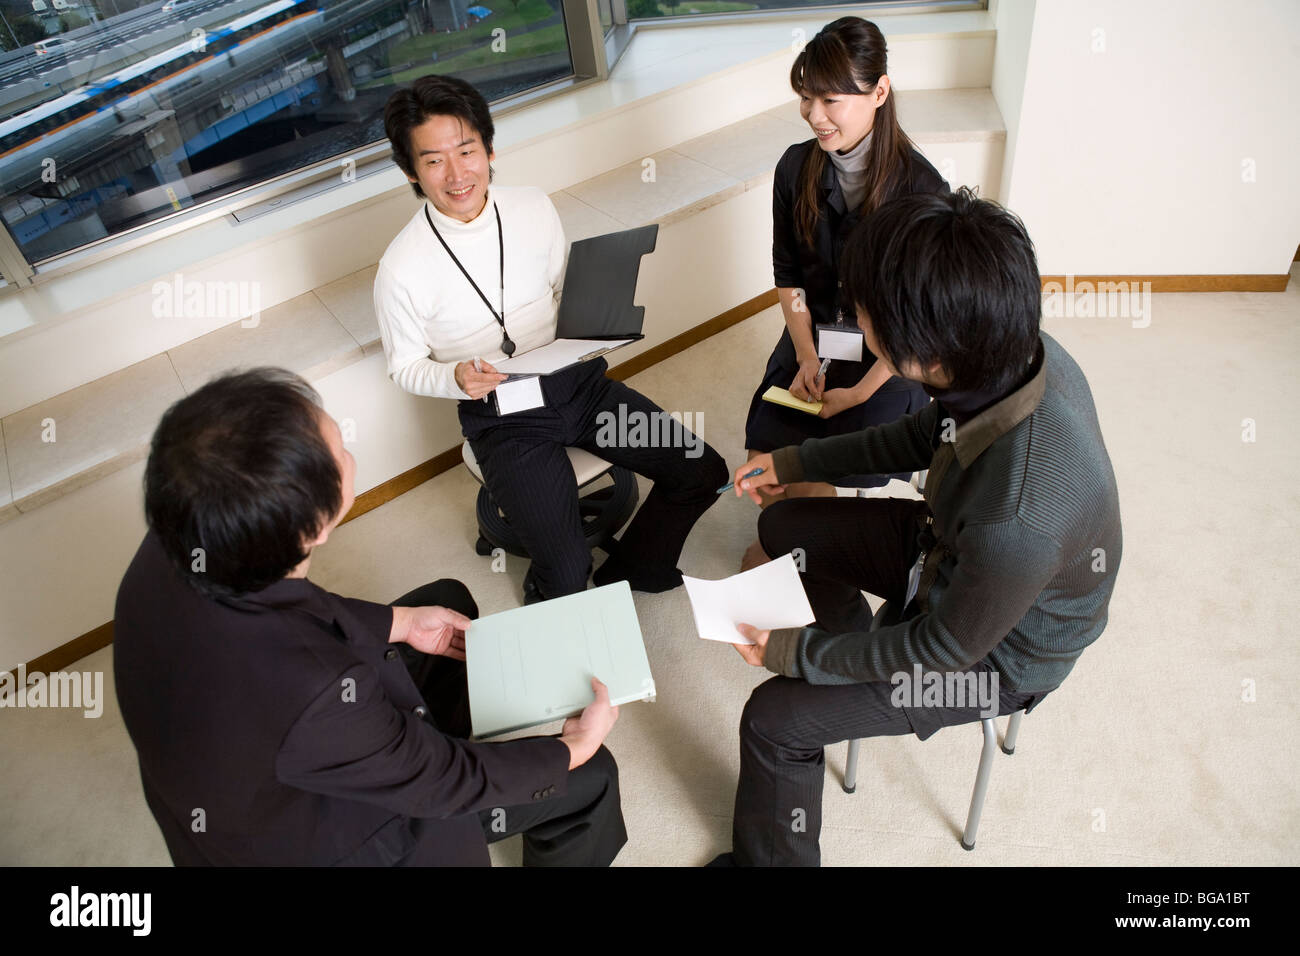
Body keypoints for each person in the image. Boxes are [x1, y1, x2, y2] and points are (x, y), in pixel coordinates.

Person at [715, 188, 1123, 866]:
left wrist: (795, 656)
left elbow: (940, 650)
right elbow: (912, 439)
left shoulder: (1017, 518)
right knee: (787, 523)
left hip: (993, 657)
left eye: (867, 316)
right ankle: (849, 644)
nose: (857, 322)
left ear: (929, 360)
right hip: (951, 552)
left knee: (773, 718)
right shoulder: (1003, 354)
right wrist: (794, 459)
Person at [113, 368, 627, 866]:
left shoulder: (177, 534)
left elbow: (286, 603)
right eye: (342, 451)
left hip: (256, 759)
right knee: (591, 775)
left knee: (444, 600)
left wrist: (402, 624)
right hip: (346, 837)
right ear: (315, 525)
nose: (351, 455)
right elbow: (441, 782)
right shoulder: (314, 689)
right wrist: (571, 747)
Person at [374, 75, 728, 603]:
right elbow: (405, 367)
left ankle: (633, 568)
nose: (456, 174)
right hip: (504, 419)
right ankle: (555, 611)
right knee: (565, 571)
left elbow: (564, 288)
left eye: (467, 150)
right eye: (433, 160)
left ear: (490, 149)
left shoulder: (531, 205)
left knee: (702, 471)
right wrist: (455, 376)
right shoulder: (400, 267)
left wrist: (598, 319)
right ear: (410, 171)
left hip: (579, 387)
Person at [740, 17, 951, 568]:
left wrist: (858, 395)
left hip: (888, 359)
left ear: (879, 91)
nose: (814, 116)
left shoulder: (923, 191)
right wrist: (806, 354)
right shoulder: (794, 167)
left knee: (802, 484)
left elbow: (920, 325)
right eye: (806, 99)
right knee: (764, 468)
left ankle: (807, 554)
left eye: (830, 100)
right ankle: (801, 541)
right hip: (814, 340)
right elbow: (788, 277)